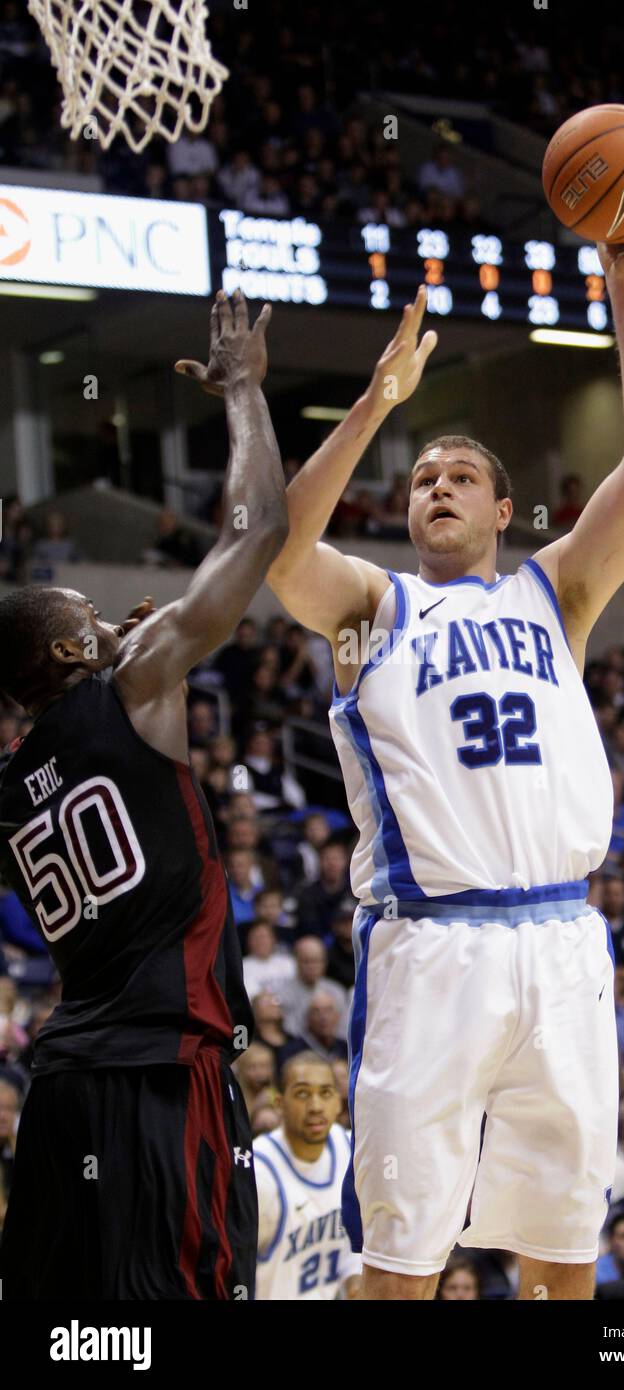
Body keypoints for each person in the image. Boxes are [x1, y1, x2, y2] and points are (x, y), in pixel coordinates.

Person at [264, 190, 624, 1301]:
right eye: (420, 478)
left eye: (459, 476)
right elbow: (275, 546)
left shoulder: (557, 594)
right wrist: (370, 406)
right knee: (401, 1264)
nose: (436, 485)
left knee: (559, 1260)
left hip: (559, 942)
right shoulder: (371, 604)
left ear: (505, 510)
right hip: (431, 950)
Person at [0, 289, 288, 1300]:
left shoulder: (9, 793)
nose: (115, 614)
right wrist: (245, 388)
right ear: (76, 648)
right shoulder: (136, 685)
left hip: (62, 1091)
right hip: (164, 1077)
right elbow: (257, 533)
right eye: (89, 611)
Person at [253, 1052, 361, 1299]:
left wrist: (355, 1283)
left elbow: (355, 1248)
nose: (315, 1107)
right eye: (302, 1094)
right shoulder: (258, 1172)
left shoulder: (349, 1150)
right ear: (279, 1103)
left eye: (325, 1093)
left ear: (338, 1102)